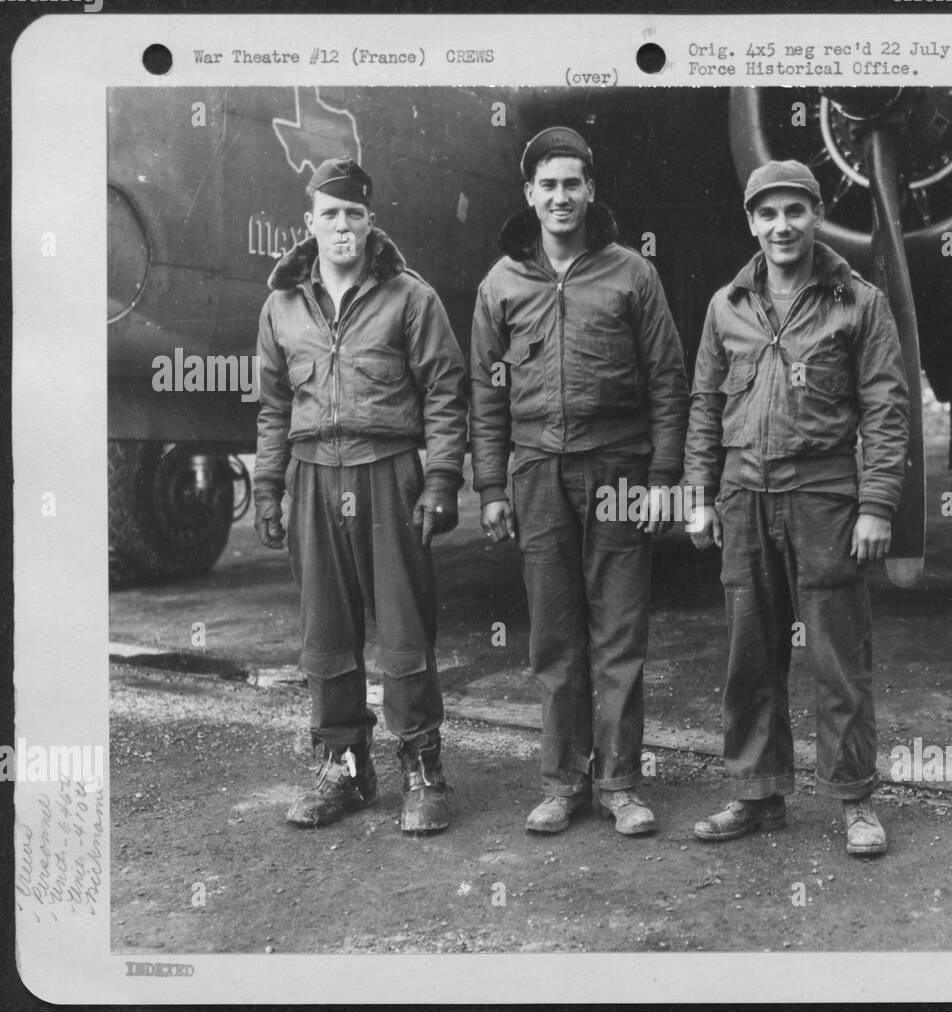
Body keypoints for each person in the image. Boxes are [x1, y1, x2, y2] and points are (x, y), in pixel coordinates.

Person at [683, 160, 911, 856]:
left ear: (816, 215)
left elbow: (887, 406)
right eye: (768, 213)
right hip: (744, 497)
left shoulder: (859, 302)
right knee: (749, 656)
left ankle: (855, 800)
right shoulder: (727, 304)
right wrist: (698, 492)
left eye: (795, 211)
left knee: (838, 657)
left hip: (823, 499)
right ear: (751, 222)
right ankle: (756, 794)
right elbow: (702, 402)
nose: (781, 226)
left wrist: (876, 505)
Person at [470, 127, 688, 836]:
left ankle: (621, 784)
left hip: (618, 466)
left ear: (590, 191)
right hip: (535, 471)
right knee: (555, 636)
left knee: (619, 629)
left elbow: (668, 378)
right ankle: (563, 782)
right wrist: (491, 486)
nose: (561, 197)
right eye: (548, 185)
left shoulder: (632, 274)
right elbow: (485, 390)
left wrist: (662, 476)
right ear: (530, 195)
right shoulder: (500, 284)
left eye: (573, 183)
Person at [253, 157, 467, 835]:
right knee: (326, 634)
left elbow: (445, 391)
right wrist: (267, 485)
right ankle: (343, 768)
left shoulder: (410, 297)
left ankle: (422, 769)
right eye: (329, 213)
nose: (341, 225)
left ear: (369, 221)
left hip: (388, 472)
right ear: (310, 222)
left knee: (404, 630)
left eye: (354, 213)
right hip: (314, 475)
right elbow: (271, 404)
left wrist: (440, 480)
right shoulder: (281, 306)